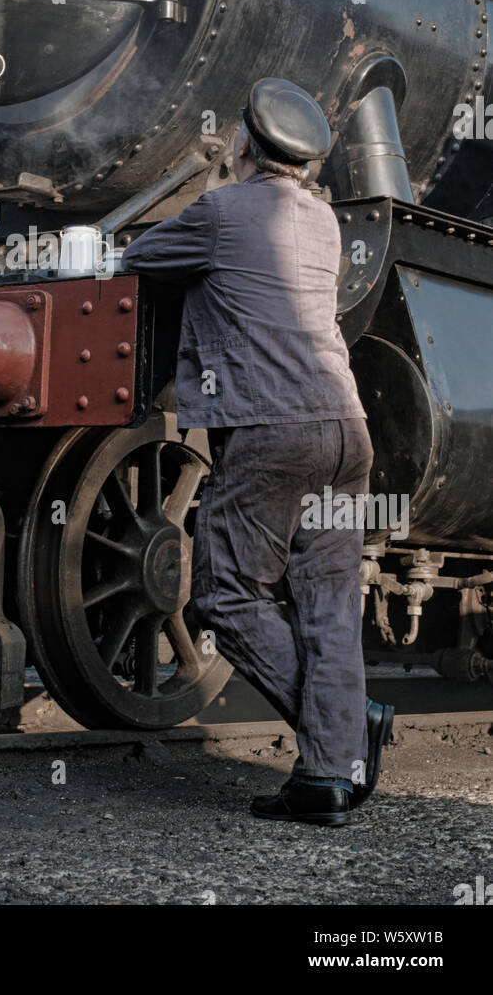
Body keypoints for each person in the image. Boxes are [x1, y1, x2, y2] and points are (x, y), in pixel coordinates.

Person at [121, 78, 394, 826]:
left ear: (243, 142)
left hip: (276, 430)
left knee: (225, 592)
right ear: (305, 163)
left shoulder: (221, 209)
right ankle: (327, 780)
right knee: (329, 605)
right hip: (347, 428)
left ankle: (348, 727)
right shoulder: (325, 222)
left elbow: (140, 255)